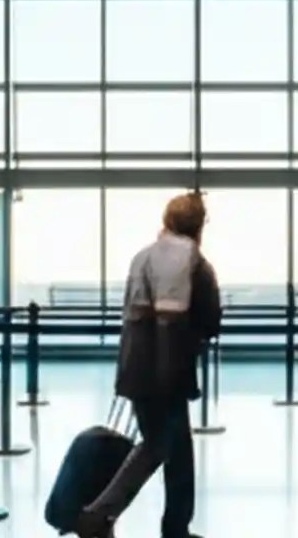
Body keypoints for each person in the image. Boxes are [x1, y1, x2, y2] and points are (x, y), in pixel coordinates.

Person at [77, 192, 222, 538]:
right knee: (159, 447)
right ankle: (98, 515)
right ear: (198, 226)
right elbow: (211, 321)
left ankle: (174, 528)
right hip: (171, 374)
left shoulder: (142, 258)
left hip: (135, 370)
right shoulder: (197, 265)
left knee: (174, 452)